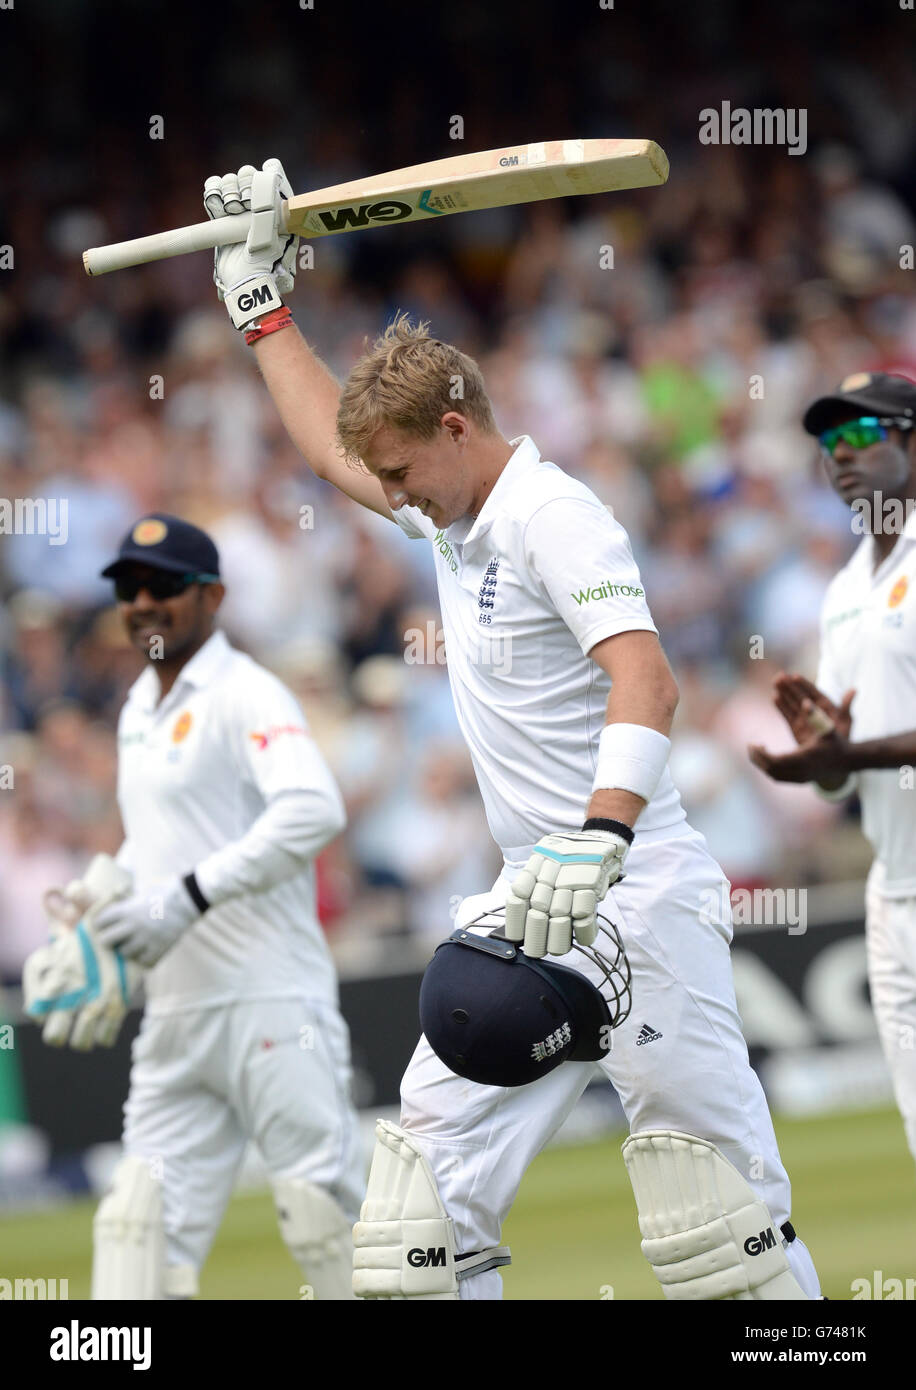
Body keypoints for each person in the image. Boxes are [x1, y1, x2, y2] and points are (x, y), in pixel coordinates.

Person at [202, 158, 821, 1301]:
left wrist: (601, 835)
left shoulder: (551, 515)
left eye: (405, 473)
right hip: (533, 898)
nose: (394, 495)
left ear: (453, 426)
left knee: (721, 1229)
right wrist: (260, 306)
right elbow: (331, 451)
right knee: (413, 1233)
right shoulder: (453, 512)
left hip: (631, 887)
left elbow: (648, 680)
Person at [30, 512, 364, 1299]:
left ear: (210, 595)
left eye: (163, 587)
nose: (142, 603)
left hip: (271, 1001)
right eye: (129, 589)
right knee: (136, 1236)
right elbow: (158, 840)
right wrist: (101, 891)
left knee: (323, 1217)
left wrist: (185, 898)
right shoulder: (138, 707)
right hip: (176, 1014)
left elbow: (314, 809)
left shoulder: (247, 691)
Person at [749, 371, 916, 1171]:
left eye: (861, 435)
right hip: (893, 888)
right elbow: (844, 780)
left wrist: (852, 754)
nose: (839, 456)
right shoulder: (845, 588)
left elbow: (865, 752)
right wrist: (823, 759)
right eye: (827, 443)